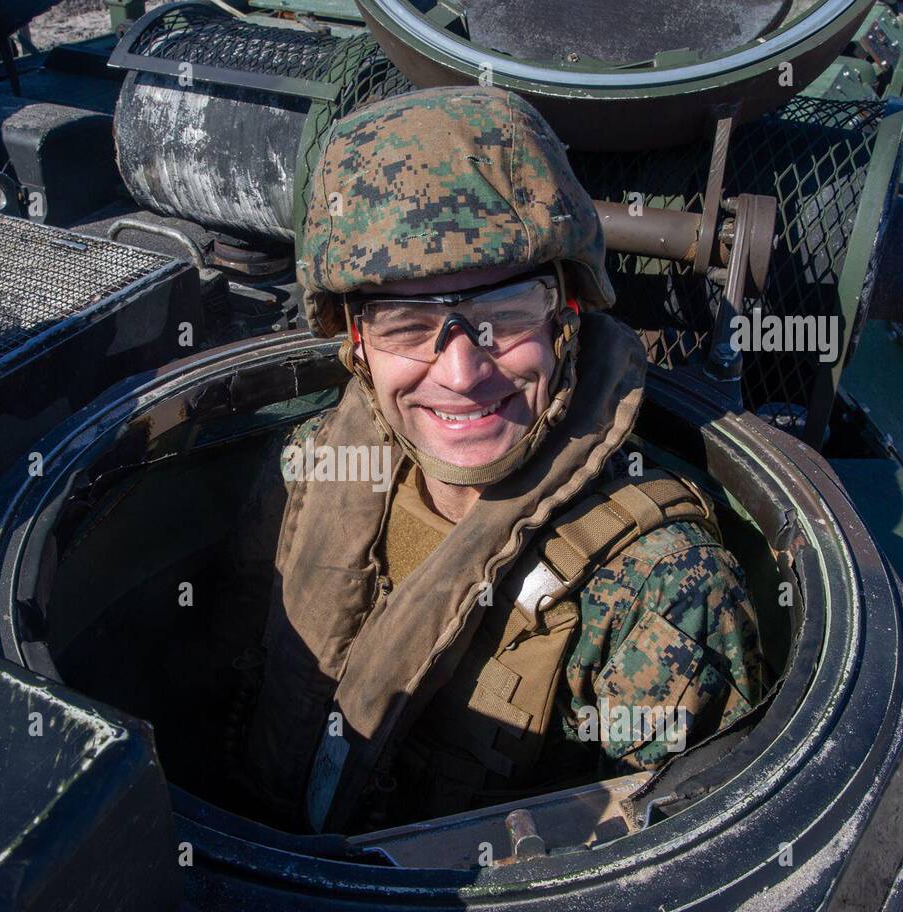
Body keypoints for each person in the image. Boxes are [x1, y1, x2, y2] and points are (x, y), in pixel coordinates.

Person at [239, 85, 766, 834]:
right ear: (355, 342)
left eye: (506, 314)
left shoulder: (662, 594)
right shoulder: (309, 470)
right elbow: (224, 678)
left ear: (568, 314)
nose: (460, 372)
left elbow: (674, 864)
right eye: (402, 322)